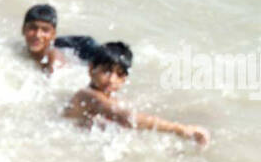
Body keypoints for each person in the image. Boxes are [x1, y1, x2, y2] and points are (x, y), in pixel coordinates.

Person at [63, 43, 210, 146]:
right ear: (91, 69)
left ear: (124, 80)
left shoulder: (112, 99)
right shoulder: (87, 95)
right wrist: (181, 130)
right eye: (106, 71)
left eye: (119, 75)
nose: (112, 79)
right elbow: (128, 118)